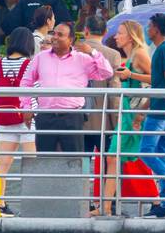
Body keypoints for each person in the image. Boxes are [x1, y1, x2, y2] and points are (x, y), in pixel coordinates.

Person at [19, 24, 113, 179]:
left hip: (72, 117)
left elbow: (106, 72)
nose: (54, 37)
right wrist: (27, 107)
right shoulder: (40, 57)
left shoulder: (82, 59)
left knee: (74, 162)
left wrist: (93, 52)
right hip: (45, 116)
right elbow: (26, 82)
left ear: (70, 40)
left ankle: (75, 201)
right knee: (44, 161)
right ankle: (49, 199)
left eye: (60, 34)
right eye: (54, 33)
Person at [131, 12, 165, 216]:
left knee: (146, 151)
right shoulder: (163, 50)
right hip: (160, 108)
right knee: (161, 154)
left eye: (150, 26)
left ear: (157, 29)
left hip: (161, 111)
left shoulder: (164, 51)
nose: (147, 29)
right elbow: (160, 83)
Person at [104, 20, 151, 209]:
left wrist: (131, 75)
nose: (116, 36)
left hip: (134, 114)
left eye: (120, 33)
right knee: (115, 157)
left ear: (131, 36)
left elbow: (157, 78)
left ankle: (106, 205)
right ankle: (106, 205)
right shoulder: (132, 55)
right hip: (128, 113)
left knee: (115, 156)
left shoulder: (139, 54)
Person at [79, 13, 123, 213]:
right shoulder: (113, 55)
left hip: (79, 118)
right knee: (108, 162)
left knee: (81, 162)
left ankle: (81, 202)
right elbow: (114, 91)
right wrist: (117, 119)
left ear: (85, 30)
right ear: (105, 33)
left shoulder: (74, 51)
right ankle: (107, 203)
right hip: (105, 118)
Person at [0, 26, 36, 216]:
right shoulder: (29, 64)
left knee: (2, 163)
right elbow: (35, 91)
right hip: (26, 118)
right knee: (31, 162)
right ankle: (33, 203)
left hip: (4, 117)